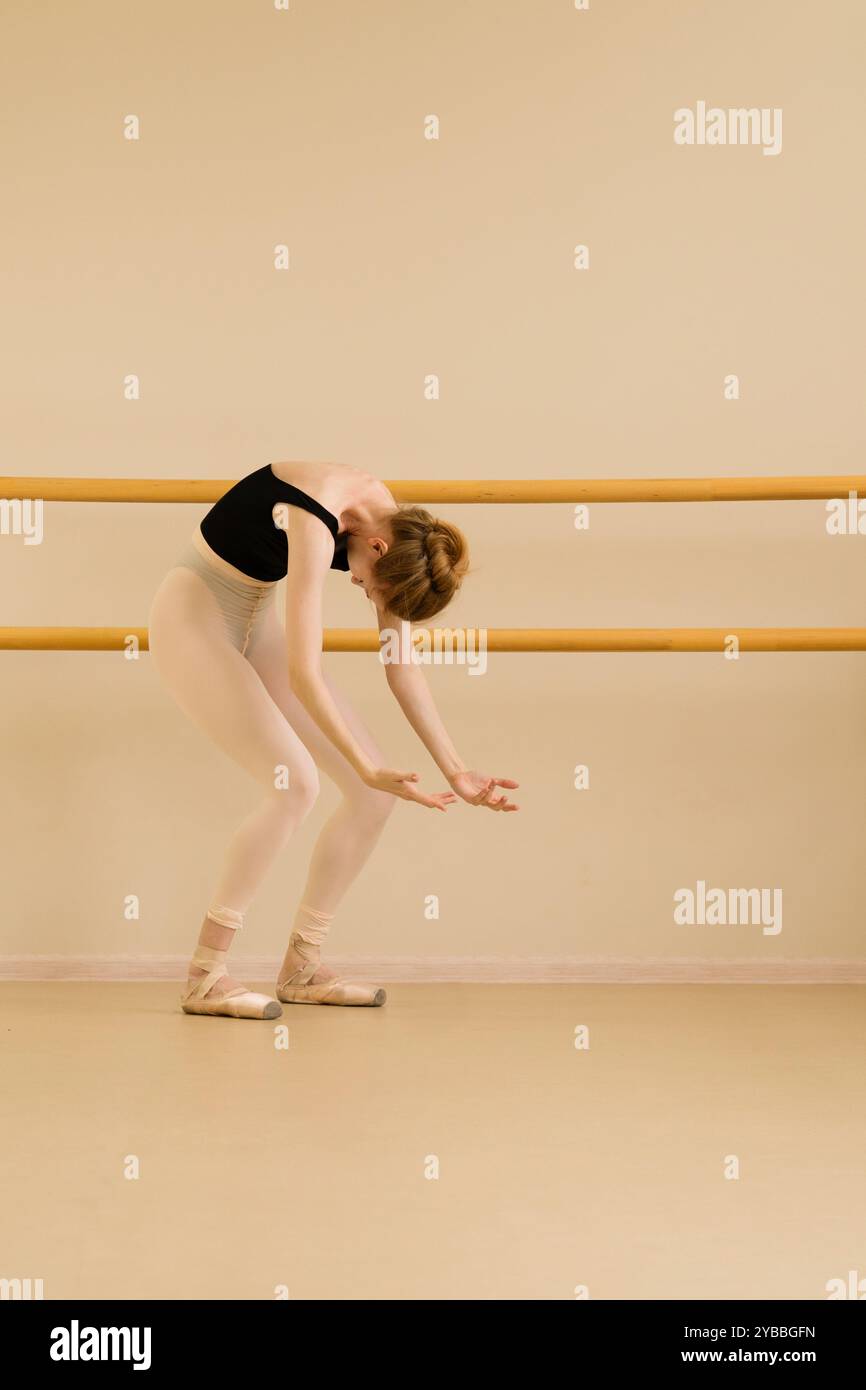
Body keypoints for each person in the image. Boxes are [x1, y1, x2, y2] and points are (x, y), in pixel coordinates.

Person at [147, 460, 519, 1020]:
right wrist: (364, 762)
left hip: (256, 622)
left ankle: (302, 966)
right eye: (370, 587)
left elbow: (401, 667)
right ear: (373, 546)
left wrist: (457, 771)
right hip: (193, 620)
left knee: (374, 796)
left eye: (368, 588)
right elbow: (305, 671)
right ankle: (205, 975)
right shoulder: (312, 515)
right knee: (294, 785)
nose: (359, 586)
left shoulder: (397, 532)